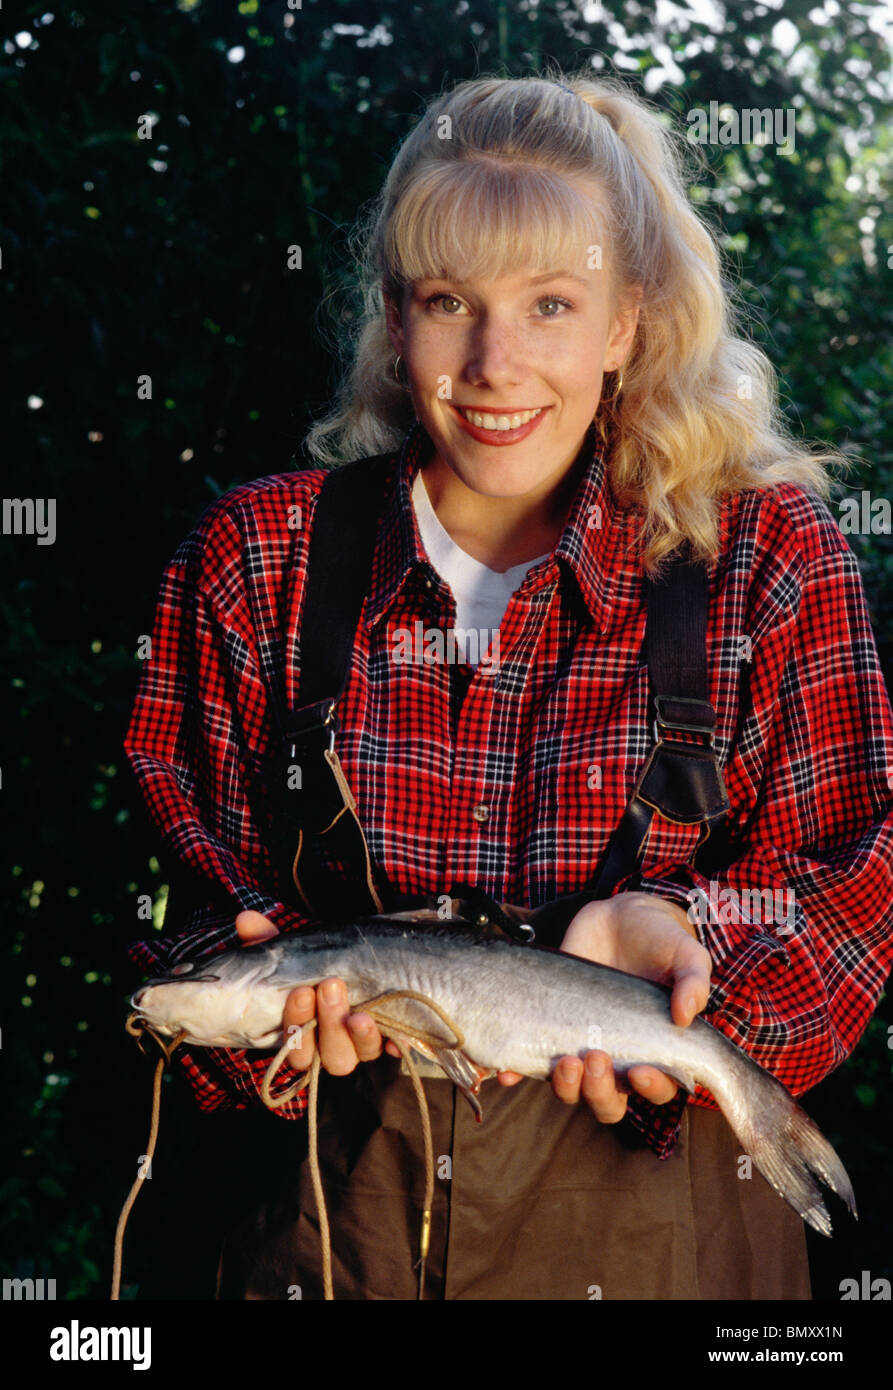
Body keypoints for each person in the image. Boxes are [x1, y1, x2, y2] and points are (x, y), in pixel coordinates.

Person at [123, 69, 893, 1300]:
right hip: (328, 1244)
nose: (494, 364)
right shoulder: (255, 560)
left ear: (626, 324)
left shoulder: (769, 561)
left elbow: (853, 896)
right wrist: (262, 1023)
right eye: (448, 303)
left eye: (550, 304)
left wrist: (687, 960)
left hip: (666, 1254)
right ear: (393, 316)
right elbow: (178, 901)